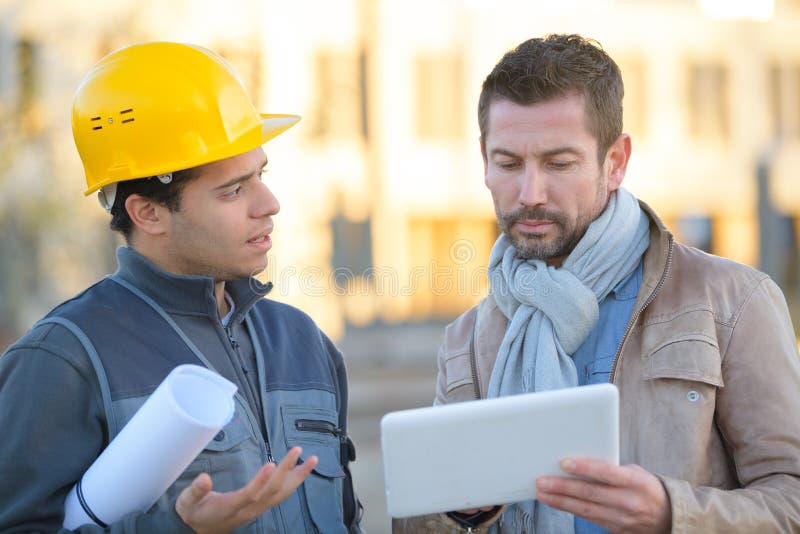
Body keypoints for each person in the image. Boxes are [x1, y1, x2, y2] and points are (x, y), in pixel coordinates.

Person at [394, 34, 800, 533]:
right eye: (508, 163)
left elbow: (792, 500)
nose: (530, 193)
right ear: (483, 160)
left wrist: (672, 514)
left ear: (616, 162)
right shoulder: (467, 339)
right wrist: (460, 510)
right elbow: (418, 520)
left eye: (559, 164)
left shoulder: (732, 302)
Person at [0, 42, 362, 533]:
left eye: (260, 175)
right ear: (148, 213)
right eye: (233, 189)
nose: (269, 203)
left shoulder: (303, 341)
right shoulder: (63, 360)